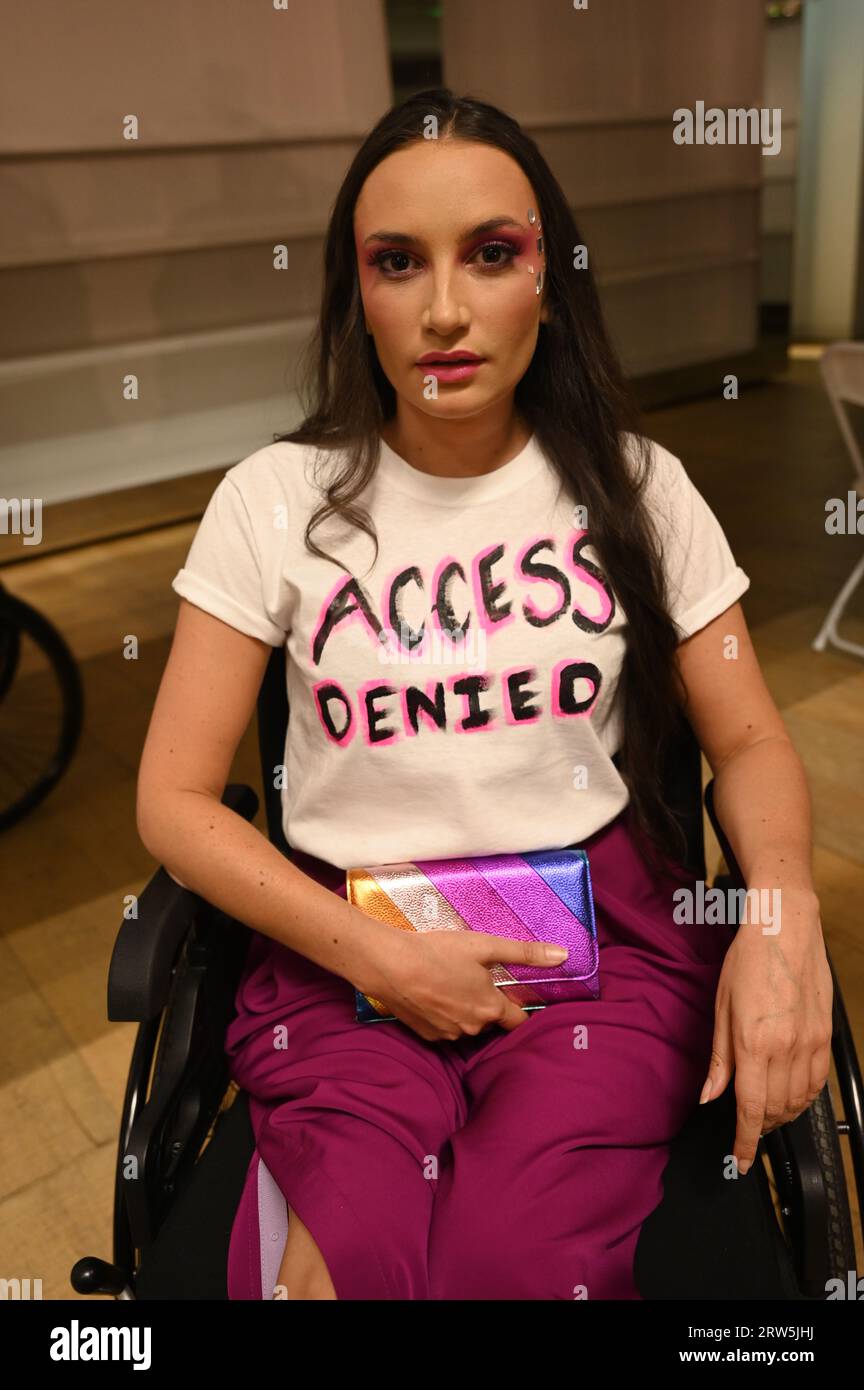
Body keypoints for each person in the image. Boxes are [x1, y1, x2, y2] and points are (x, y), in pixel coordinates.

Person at [136, 88, 833, 1301]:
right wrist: (382, 961)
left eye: (493, 255)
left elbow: (754, 740)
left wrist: (781, 912)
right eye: (398, 263)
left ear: (549, 282)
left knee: (514, 1261)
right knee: (338, 1268)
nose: (445, 310)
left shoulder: (638, 489)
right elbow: (176, 799)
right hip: (340, 957)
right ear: (357, 288)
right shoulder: (274, 499)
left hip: (596, 954)